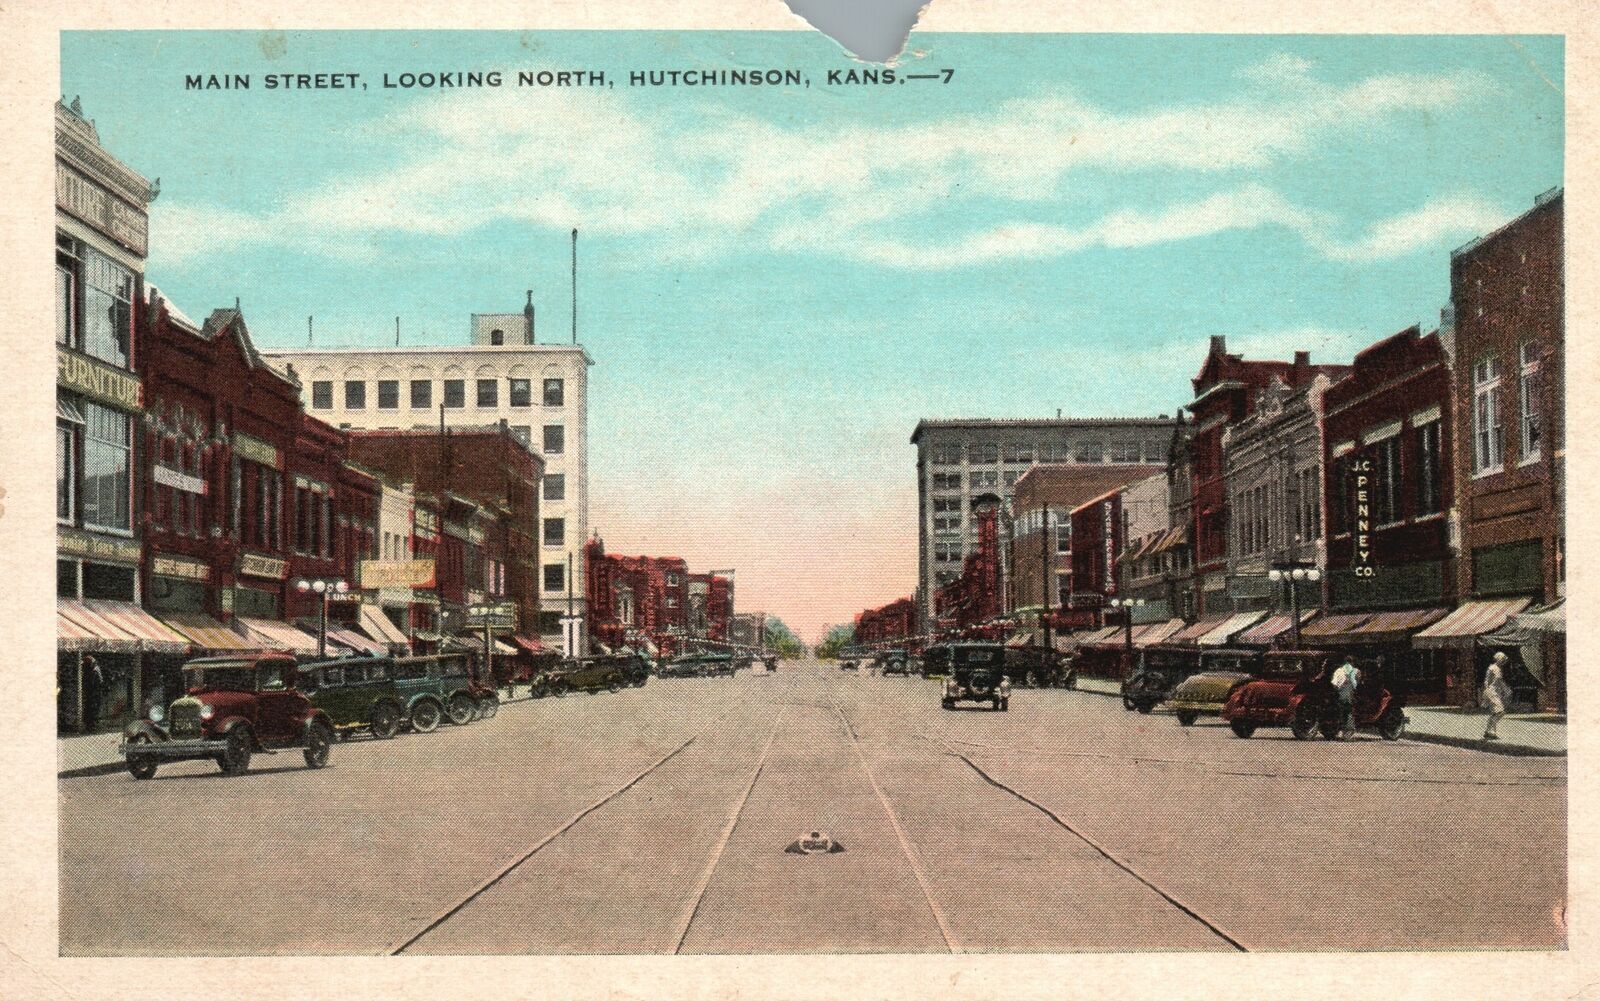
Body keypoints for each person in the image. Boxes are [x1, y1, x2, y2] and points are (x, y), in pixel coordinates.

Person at [1482, 651, 1512, 741]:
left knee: (1495, 713)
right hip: (1492, 692)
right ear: (1498, 659)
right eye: (1502, 659)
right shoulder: (1492, 668)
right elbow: (1487, 681)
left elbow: (1500, 682)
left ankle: (1489, 732)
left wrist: (1505, 690)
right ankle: (1490, 731)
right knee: (1500, 712)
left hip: (1497, 692)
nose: (1503, 661)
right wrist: (1487, 692)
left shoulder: (1499, 669)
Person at [1330, 657, 1360, 740]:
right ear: (1352, 662)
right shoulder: (1356, 671)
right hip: (1351, 694)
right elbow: (1359, 682)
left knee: (1341, 712)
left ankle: (1341, 731)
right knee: (1349, 712)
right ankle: (1349, 731)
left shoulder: (1338, 671)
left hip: (1341, 694)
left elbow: (1334, 684)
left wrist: (1338, 690)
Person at [81, 655, 104, 734]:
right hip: (93, 693)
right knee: (91, 709)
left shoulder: (94, 670)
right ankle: (91, 726)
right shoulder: (95, 669)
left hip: (93, 693)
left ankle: (91, 726)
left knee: (91, 709)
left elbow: (93, 683)